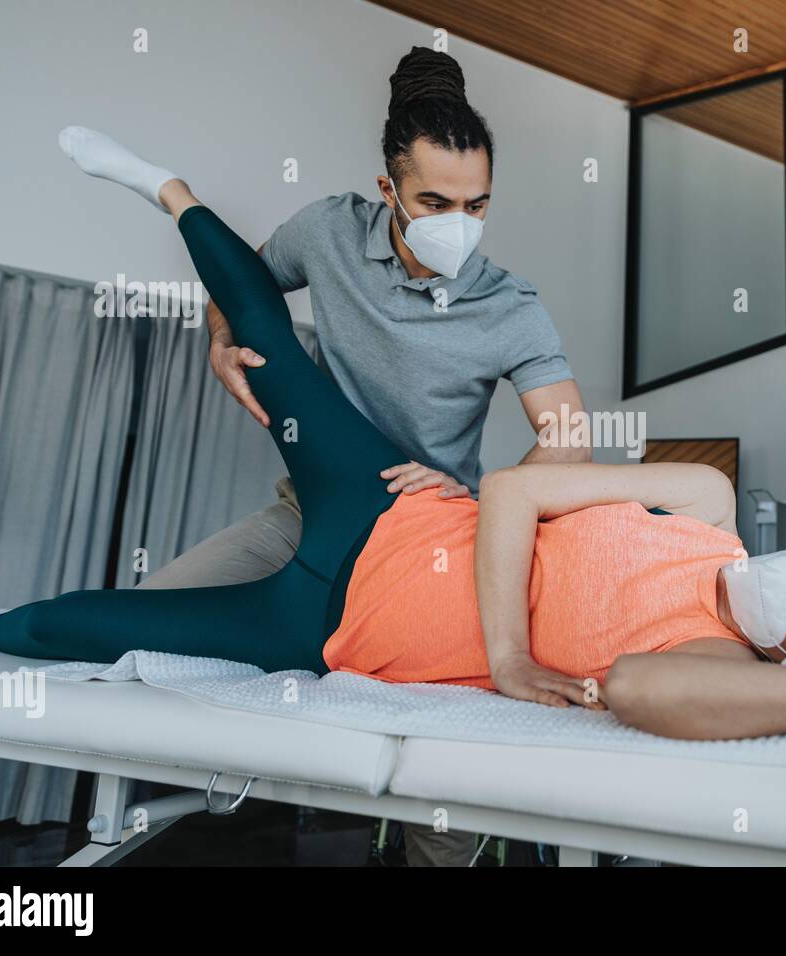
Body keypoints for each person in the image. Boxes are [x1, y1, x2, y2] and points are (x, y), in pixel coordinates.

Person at [0, 129, 786, 759]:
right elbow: (516, 490)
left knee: (75, 624)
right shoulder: (705, 511)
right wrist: (515, 652)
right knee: (267, 345)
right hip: (388, 502)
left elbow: (631, 689)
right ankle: (165, 186)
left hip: (329, 624)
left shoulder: (715, 665)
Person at [136, 47, 590, 865]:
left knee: (444, 820)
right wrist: (219, 339)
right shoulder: (327, 233)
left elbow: (570, 442)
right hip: (307, 509)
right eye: (436, 201)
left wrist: (483, 498)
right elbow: (242, 286)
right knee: (152, 626)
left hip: (434, 545)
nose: (461, 223)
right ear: (387, 189)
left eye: (478, 205)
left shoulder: (510, 307)